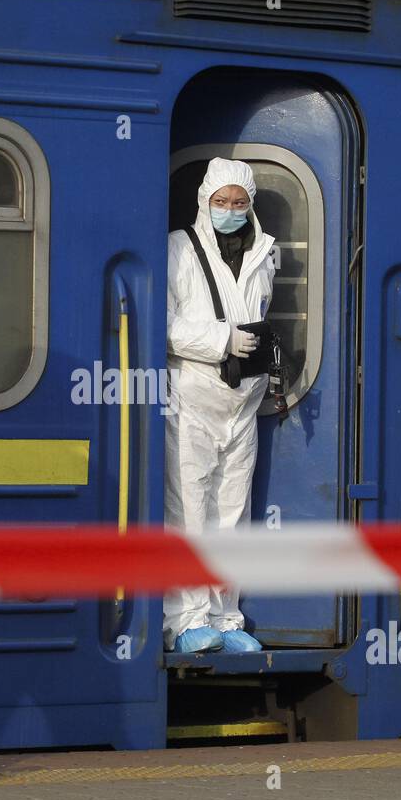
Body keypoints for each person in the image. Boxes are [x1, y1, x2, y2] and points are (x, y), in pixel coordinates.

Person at [163, 157, 277, 654]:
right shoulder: (178, 248)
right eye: (221, 201)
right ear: (204, 201)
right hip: (192, 398)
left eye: (239, 202)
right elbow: (161, 322)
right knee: (188, 512)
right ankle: (185, 620)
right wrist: (220, 340)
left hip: (242, 403)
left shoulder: (264, 254)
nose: (230, 210)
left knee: (232, 513)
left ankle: (226, 619)